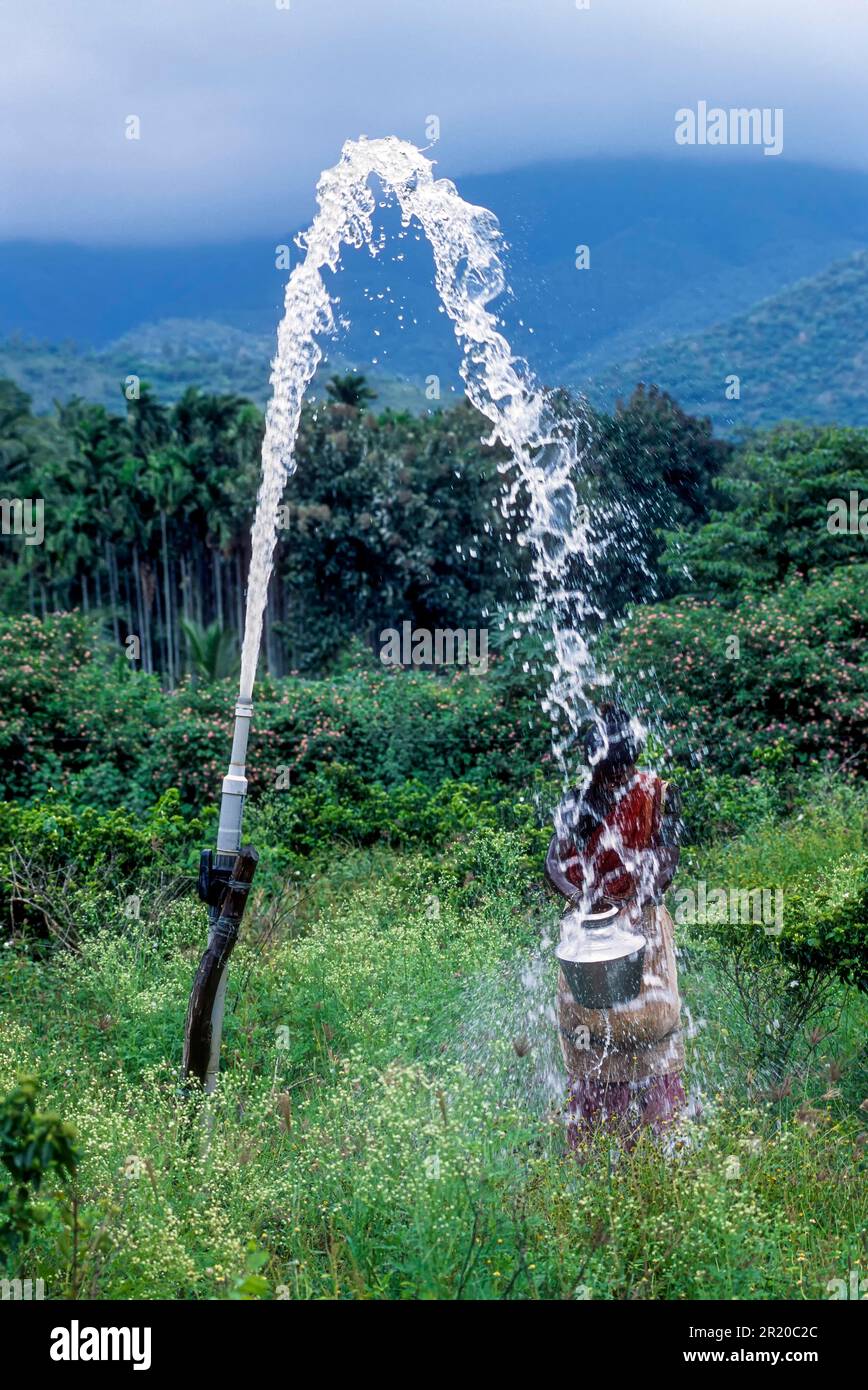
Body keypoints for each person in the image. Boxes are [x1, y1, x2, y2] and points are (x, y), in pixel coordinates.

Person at [545, 704, 686, 1148]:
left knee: (651, 1025)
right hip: (589, 933)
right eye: (606, 769)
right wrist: (583, 902)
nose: (614, 778)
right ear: (594, 762)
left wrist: (636, 899)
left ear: (632, 759)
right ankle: (593, 1146)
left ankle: (657, 1145)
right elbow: (553, 862)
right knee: (586, 1029)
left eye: (621, 768)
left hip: (643, 929)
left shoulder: (658, 792)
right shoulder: (579, 799)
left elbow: (668, 858)